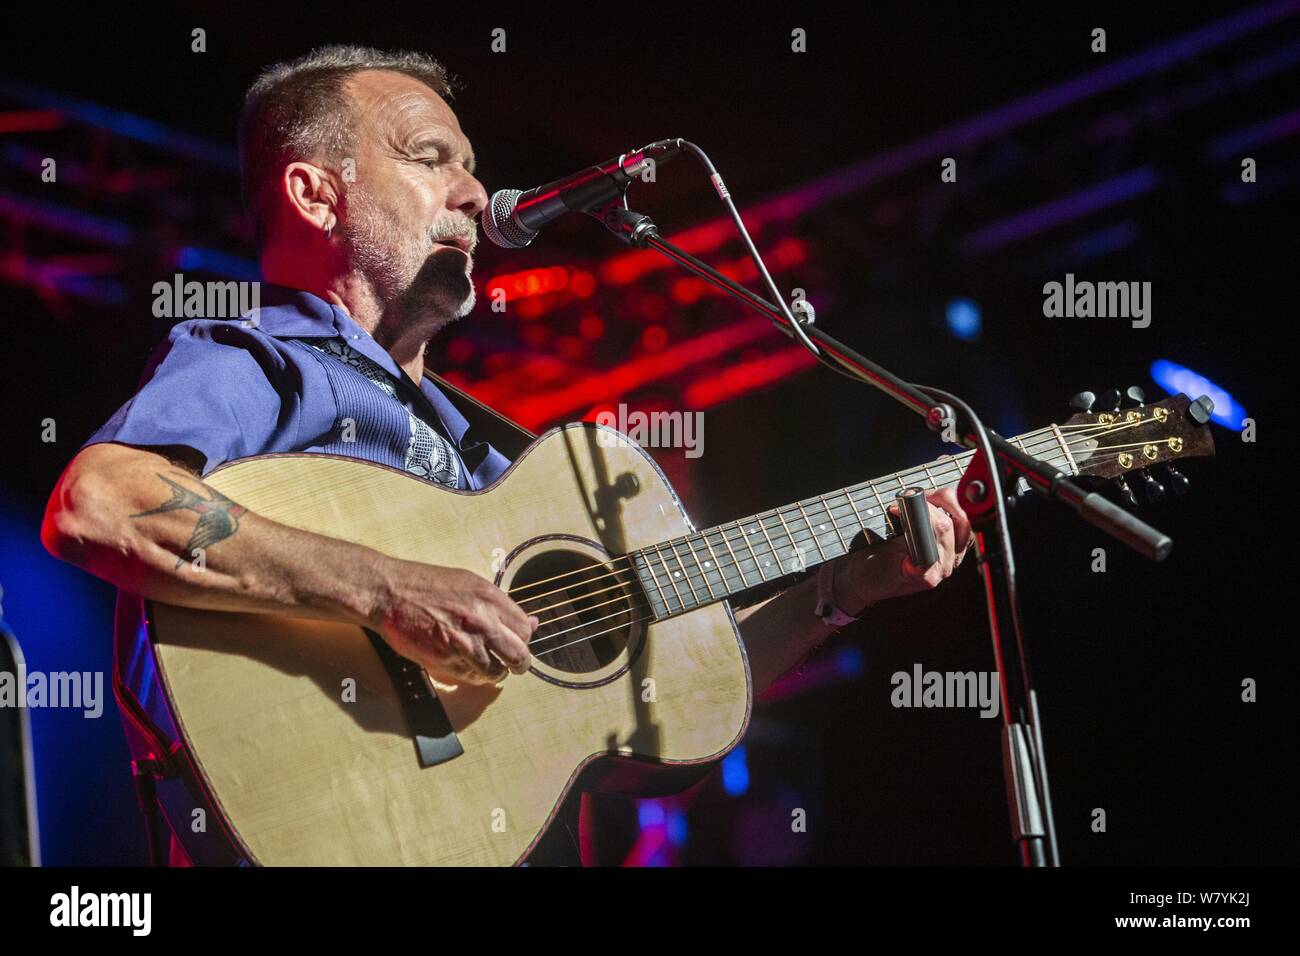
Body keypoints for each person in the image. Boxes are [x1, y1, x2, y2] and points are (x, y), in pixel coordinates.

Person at [41, 45, 973, 865]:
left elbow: (650, 731)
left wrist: (838, 592)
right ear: (315, 192)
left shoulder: (493, 455)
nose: (477, 195)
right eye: (429, 158)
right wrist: (387, 591)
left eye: (474, 167)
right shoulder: (262, 358)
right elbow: (100, 503)